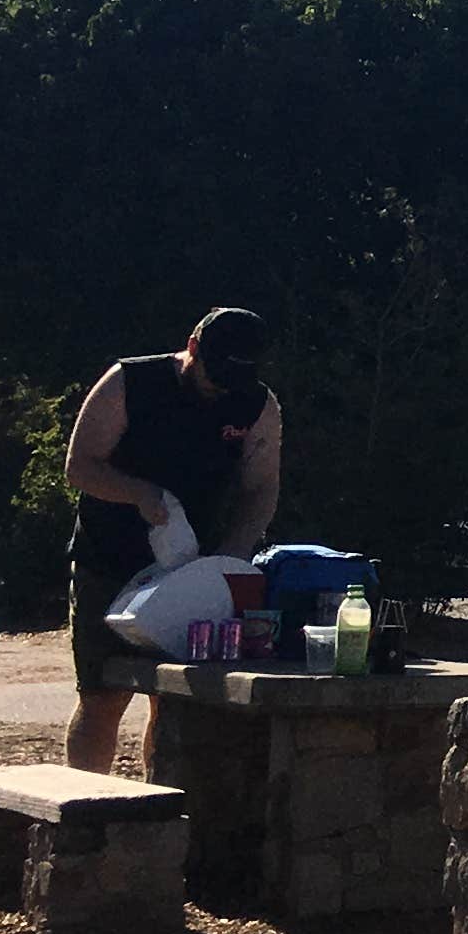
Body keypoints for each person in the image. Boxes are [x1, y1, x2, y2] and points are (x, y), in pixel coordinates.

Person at [62, 308, 282, 773]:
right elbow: (80, 466)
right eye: (215, 374)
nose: (222, 388)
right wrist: (140, 494)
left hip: (191, 568)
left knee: (174, 697)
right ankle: (82, 815)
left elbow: (260, 486)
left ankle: (158, 806)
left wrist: (233, 555)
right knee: (104, 697)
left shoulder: (256, 404)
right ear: (193, 347)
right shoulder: (130, 382)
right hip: (109, 561)